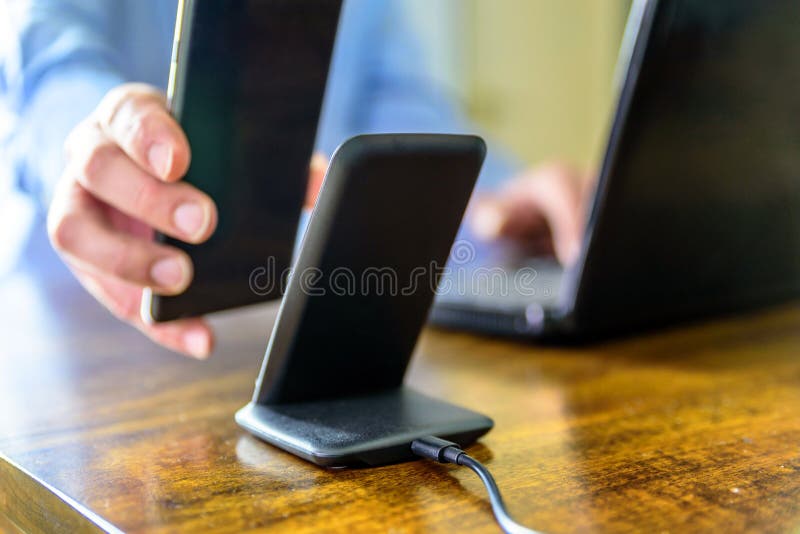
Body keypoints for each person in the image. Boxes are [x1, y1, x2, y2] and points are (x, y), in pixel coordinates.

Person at [0, 0, 588, 358]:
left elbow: (406, 113)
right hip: (73, 335)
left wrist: (499, 197)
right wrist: (88, 141)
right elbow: (46, 65)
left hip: (276, 322)